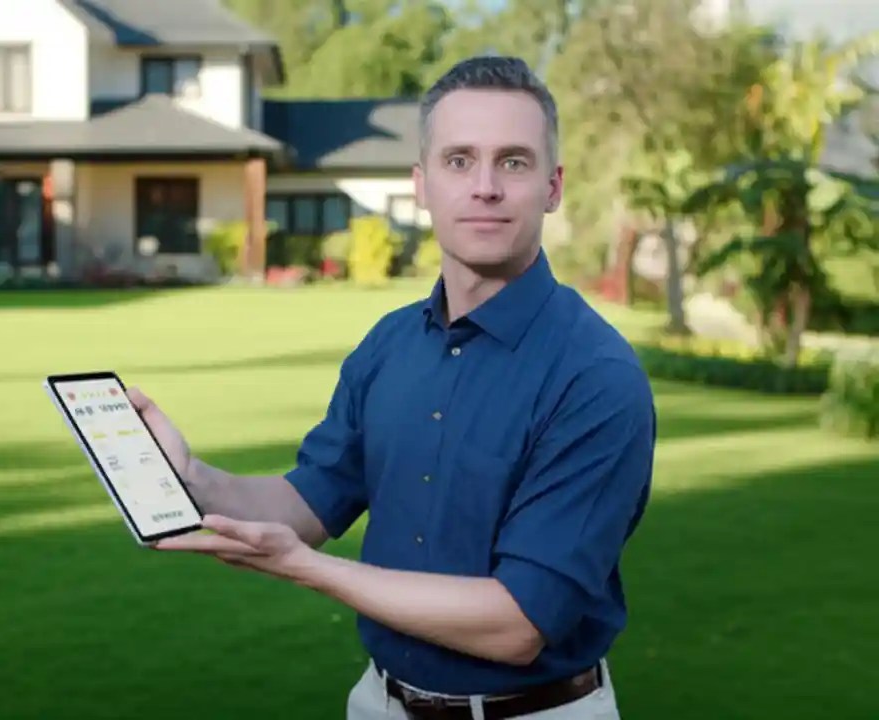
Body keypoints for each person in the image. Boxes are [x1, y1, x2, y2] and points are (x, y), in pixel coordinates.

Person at [129, 55, 656, 720]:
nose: (485, 186)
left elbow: (518, 625)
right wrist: (191, 475)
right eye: (459, 160)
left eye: (513, 162)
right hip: (379, 704)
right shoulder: (389, 345)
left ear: (552, 187)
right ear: (422, 184)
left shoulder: (595, 377)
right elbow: (305, 504)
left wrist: (307, 569)